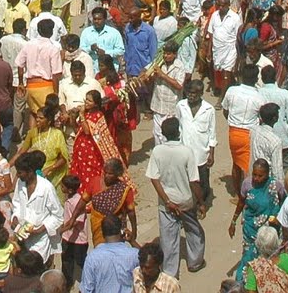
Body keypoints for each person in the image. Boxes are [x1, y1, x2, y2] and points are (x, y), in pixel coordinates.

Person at [145, 116, 203, 277]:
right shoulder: (187, 152)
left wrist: (167, 201)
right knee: (194, 232)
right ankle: (195, 262)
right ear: (178, 132)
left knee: (168, 238)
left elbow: (154, 178)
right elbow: (194, 181)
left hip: (166, 204)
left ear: (163, 134)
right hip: (186, 201)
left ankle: (170, 272)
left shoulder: (157, 151)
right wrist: (201, 202)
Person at [228, 158, 283, 274]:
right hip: (250, 229)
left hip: (269, 231)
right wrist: (233, 222)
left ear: (267, 174)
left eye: (260, 176)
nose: (256, 178)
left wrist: (278, 220)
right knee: (249, 258)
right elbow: (241, 202)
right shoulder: (247, 184)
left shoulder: (275, 186)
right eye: (254, 174)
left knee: (268, 260)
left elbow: (284, 203)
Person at [8, 153, 62, 267]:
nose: (18, 175)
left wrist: (39, 230)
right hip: (22, 237)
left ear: (30, 171)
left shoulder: (46, 188)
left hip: (40, 241)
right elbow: (17, 203)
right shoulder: (20, 183)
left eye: (20, 172)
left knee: (37, 268)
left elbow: (58, 216)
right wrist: (15, 217)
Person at [77, 215, 134, 293]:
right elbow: (148, 260)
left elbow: (86, 289)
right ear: (121, 231)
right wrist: (132, 241)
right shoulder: (133, 254)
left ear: (103, 233)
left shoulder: (92, 257)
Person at [238, 226, 288, 293]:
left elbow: (251, 291)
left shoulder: (255, 267)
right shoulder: (286, 260)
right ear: (276, 243)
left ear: (258, 244)